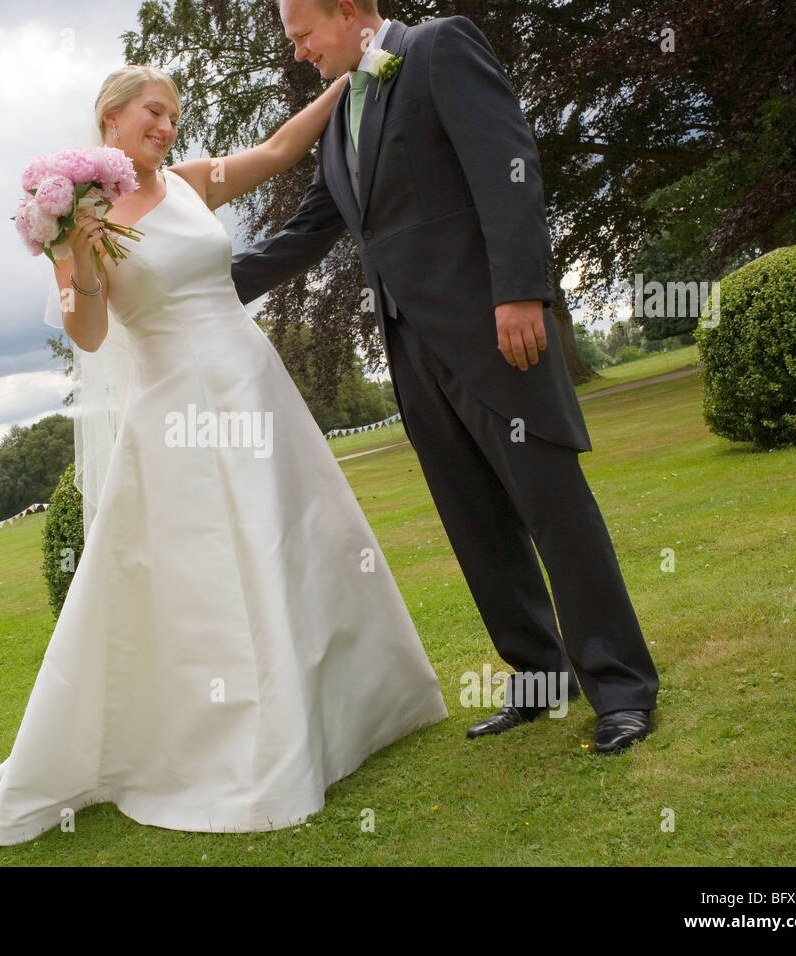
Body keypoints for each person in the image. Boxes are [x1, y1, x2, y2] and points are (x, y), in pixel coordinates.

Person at [0, 64, 447, 845]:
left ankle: (356, 712)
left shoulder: (192, 183)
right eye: (153, 113)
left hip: (252, 383)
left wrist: (357, 73)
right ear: (112, 119)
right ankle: (233, 748)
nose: (166, 126)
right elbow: (88, 332)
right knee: (211, 573)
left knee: (300, 541)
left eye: (173, 115)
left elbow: (278, 149)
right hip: (173, 412)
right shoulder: (70, 222)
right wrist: (86, 259)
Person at [230, 0, 659, 753]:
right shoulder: (339, 120)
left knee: (553, 508)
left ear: (347, 11)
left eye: (303, 34)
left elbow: (506, 167)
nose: (298, 52)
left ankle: (621, 688)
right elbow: (306, 232)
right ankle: (538, 677)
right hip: (410, 353)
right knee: (476, 526)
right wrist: (194, 291)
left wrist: (521, 291)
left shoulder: (439, 50)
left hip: (496, 332)